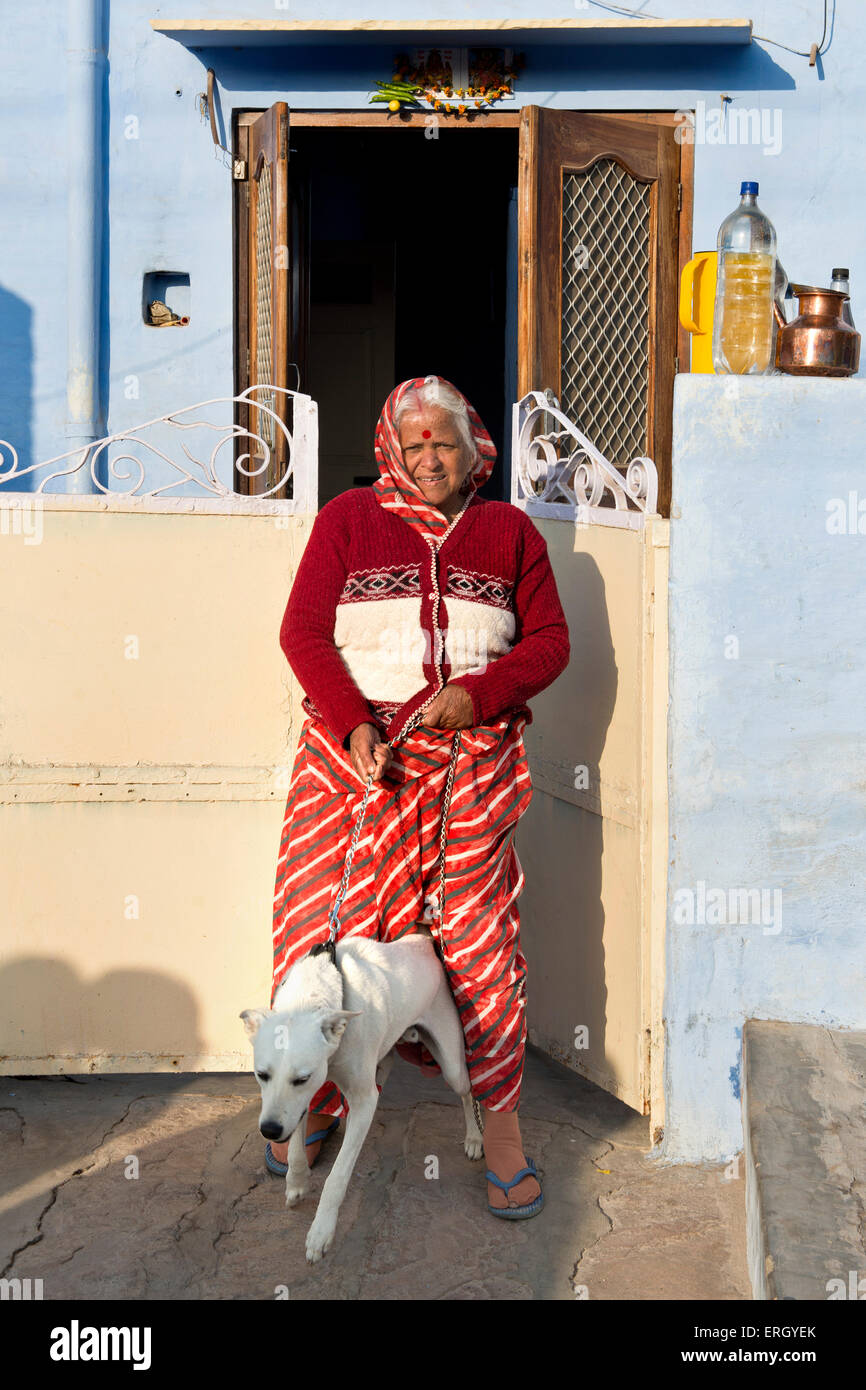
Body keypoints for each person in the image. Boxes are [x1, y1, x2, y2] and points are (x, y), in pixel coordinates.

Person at [268, 375, 570, 1217]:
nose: (429, 457)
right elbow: (302, 631)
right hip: (352, 767)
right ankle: (318, 1106)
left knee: (476, 949)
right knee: (320, 941)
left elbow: (550, 640)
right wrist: (354, 724)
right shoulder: (347, 521)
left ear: (473, 447)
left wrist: (481, 693)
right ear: (390, 454)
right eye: (414, 446)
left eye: (444, 442)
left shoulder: (509, 532)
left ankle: (502, 1135)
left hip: (471, 768)